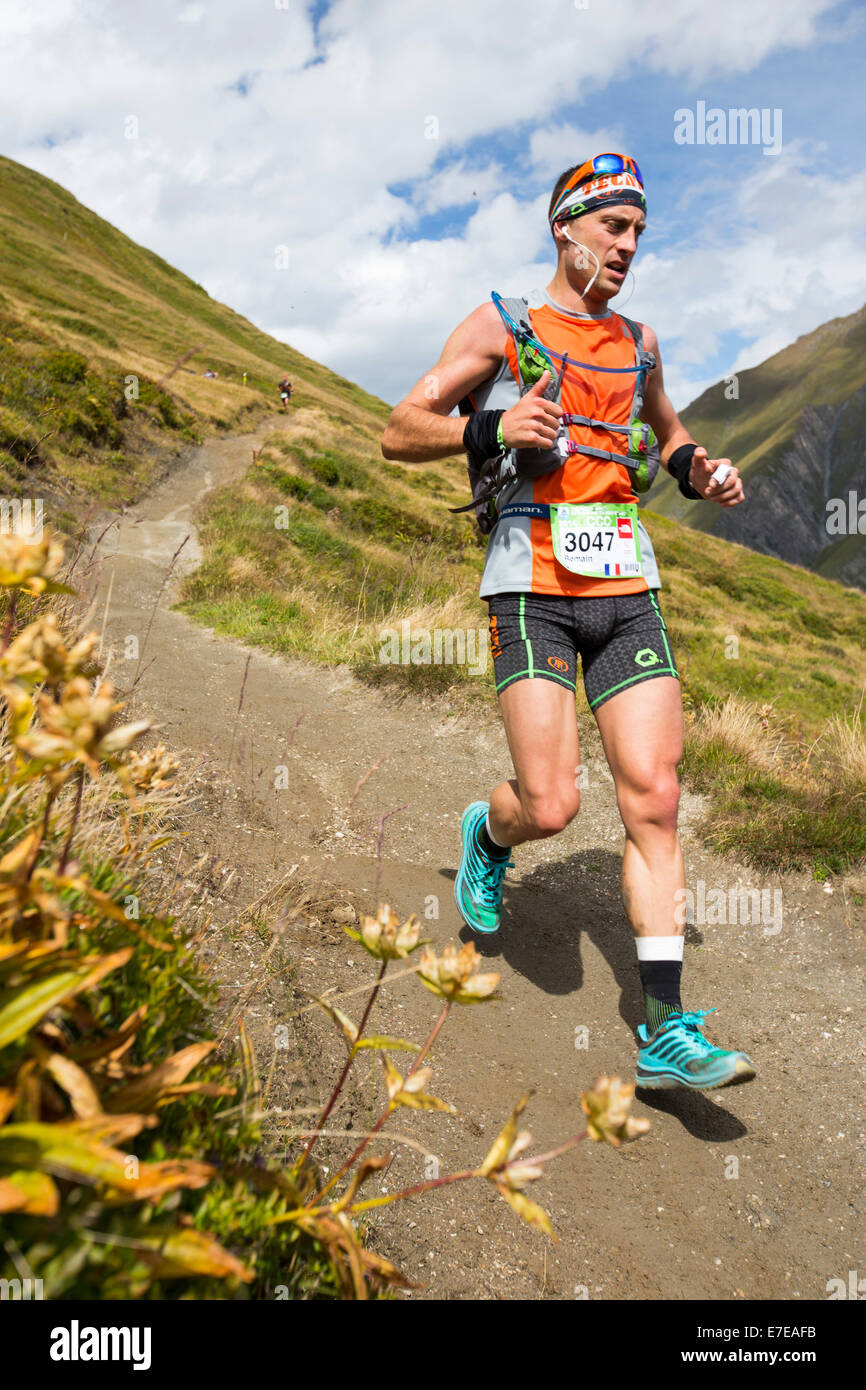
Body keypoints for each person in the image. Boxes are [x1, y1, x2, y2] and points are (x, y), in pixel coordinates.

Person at [381, 153, 755, 1092]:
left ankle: (665, 1027)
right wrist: (489, 430)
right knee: (553, 805)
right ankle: (492, 835)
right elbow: (399, 428)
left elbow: (666, 433)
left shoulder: (640, 340)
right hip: (532, 583)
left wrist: (699, 468)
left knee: (655, 797)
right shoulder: (504, 324)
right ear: (567, 229)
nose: (628, 248)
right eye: (613, 229)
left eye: (638, 233)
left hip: (627, 582)